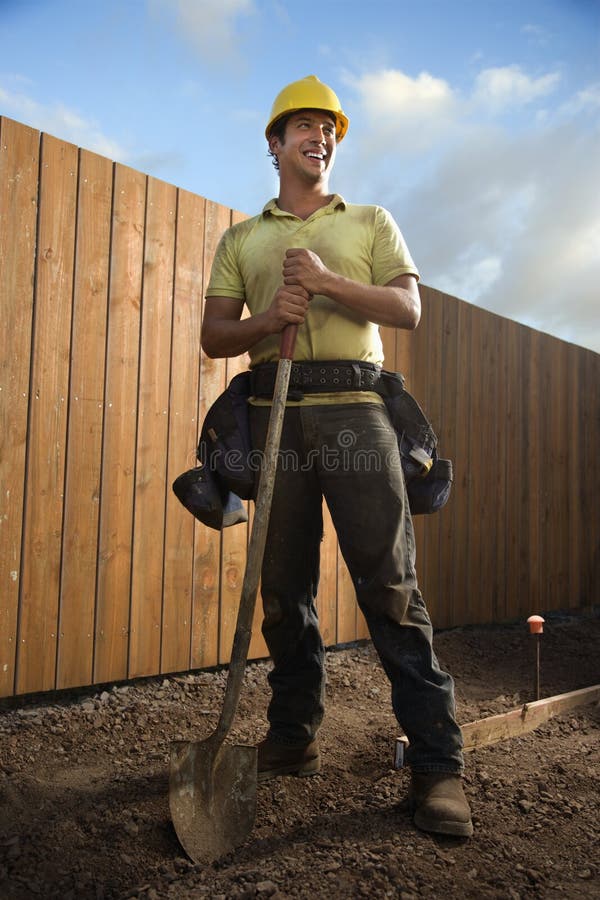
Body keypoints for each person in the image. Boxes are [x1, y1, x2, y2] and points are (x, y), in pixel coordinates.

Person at [201, 75, 473, 838]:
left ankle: (438, 766)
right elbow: (215, 336)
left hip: (356, 410)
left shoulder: (371, 222)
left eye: (330, 129)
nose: (320, 137)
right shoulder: (242, 240)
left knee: (389, 587)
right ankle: (293, 739)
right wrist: (267, 320)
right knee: (282, 588)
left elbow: (407, 308)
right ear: (276, 142)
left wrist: (325, 283)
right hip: (274, 415)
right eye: (306, 126)